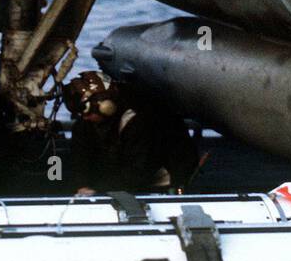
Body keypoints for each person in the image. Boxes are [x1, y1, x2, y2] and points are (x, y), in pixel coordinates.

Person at [65, 70, 199, 195]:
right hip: (117, 181)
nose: (85, 118)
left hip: (158, 181)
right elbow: (79, 159)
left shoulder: (141, 120)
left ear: (105, 106)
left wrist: (98, 190)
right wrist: (81, 185)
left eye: (87, 112)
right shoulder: (86, 123)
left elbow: (138, 171)